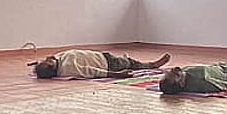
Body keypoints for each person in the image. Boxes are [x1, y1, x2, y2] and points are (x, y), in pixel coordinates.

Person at [33, 49, 171, 79]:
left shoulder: (58, 59)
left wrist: (37, 65)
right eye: (46, 61)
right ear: (52, 66)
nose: (47, 58)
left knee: (125, 60)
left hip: (100, 56)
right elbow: (93, 71)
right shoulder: (68, 68)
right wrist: (116, 75)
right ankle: (151, 65)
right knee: (128, 62)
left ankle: (131, 61)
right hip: (107, 64)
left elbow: (44, 65)